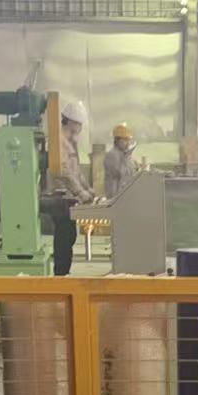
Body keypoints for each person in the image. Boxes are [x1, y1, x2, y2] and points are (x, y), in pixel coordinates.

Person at [50, 99, 94, 276]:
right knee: (64, 238)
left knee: (70, 237)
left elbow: (77, 171)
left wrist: (87, 188)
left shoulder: (70, 142)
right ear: (71, 121)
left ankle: (64, 273)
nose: (81, 128)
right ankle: (60, 276)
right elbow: (63, 171)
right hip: (60, 198)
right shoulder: (58, 141)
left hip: (70, 197)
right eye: (79, 124)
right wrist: (80, 191)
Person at [104, 122, 137, 199]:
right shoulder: (111, 155)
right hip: (116, 197)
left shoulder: (124, 154)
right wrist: (126, 157)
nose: (128, 143)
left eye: (129, 140)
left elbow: (132, 172)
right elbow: (119, 173)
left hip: (126, 196)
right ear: (117, 140)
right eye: (125, 140)